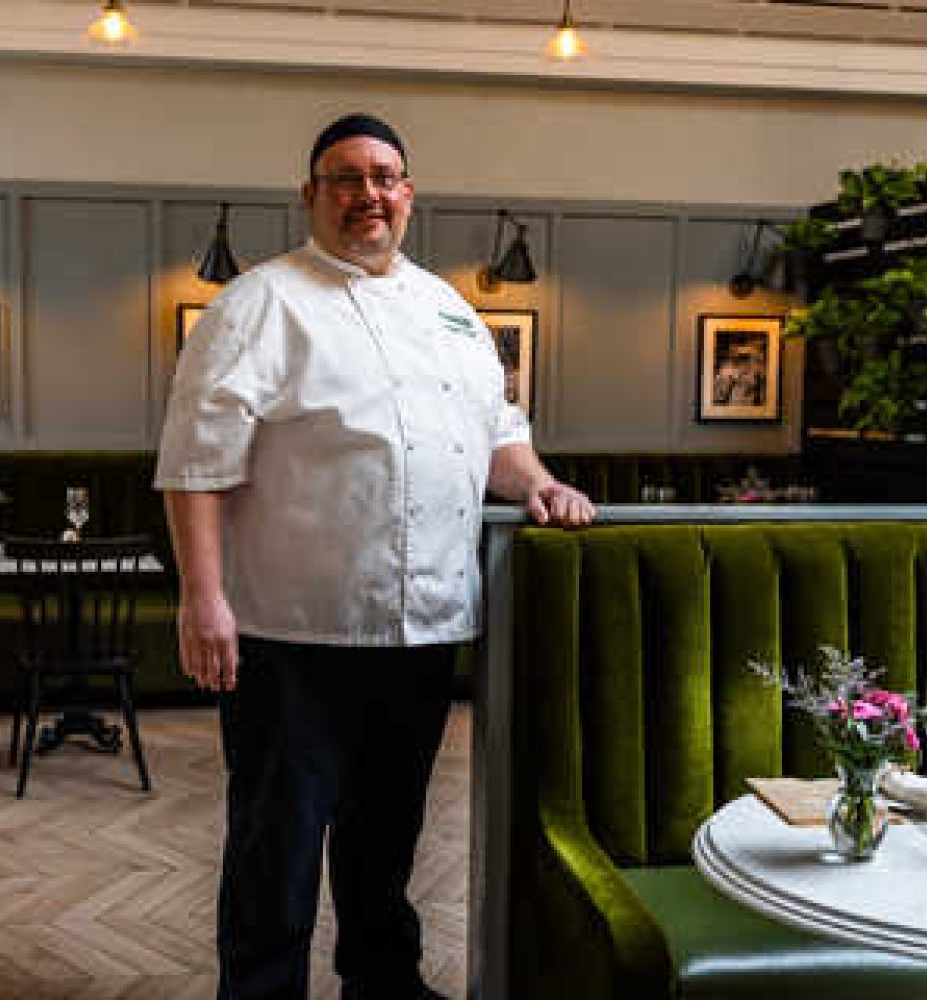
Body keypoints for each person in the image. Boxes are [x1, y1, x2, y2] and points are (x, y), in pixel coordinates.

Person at [154, 113, 596, 1000]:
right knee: (277, 840)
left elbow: (497, 435)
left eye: (385, 176)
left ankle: (382, 983)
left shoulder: (451, 309)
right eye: (347, 178)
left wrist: (538, 485)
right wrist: (203, 601)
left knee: (386, 834)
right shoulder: (257, 305)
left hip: (424, 628)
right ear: (312, 195)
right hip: (290, 633)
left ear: (409, 193)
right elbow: (195, 464)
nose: (369, 194)